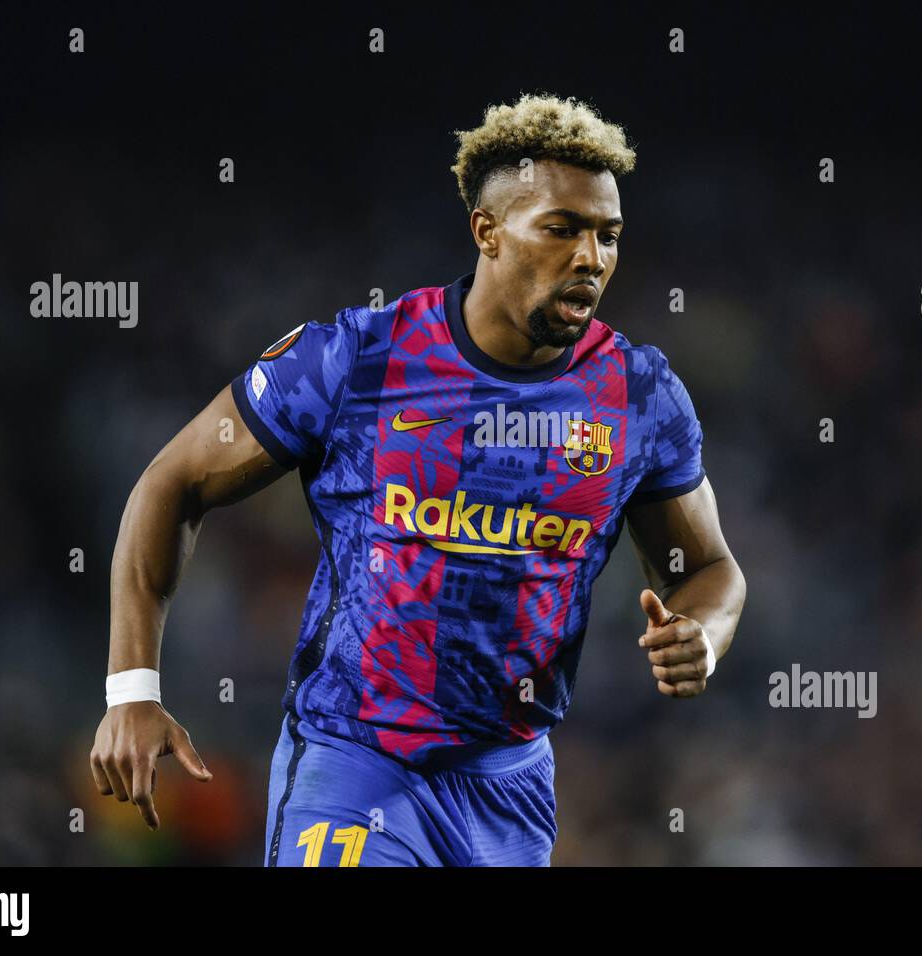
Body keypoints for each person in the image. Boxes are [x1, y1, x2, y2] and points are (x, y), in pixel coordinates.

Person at [90, 92, 746, 866]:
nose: (590, 258)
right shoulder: (357, 360)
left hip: (511, 788)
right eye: (562, 229)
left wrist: (703, 631)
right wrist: (131, 689)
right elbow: (172, 483)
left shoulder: (639, 397)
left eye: (608, 236)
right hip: (355, 764)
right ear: (488, 232)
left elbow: (708, 568)